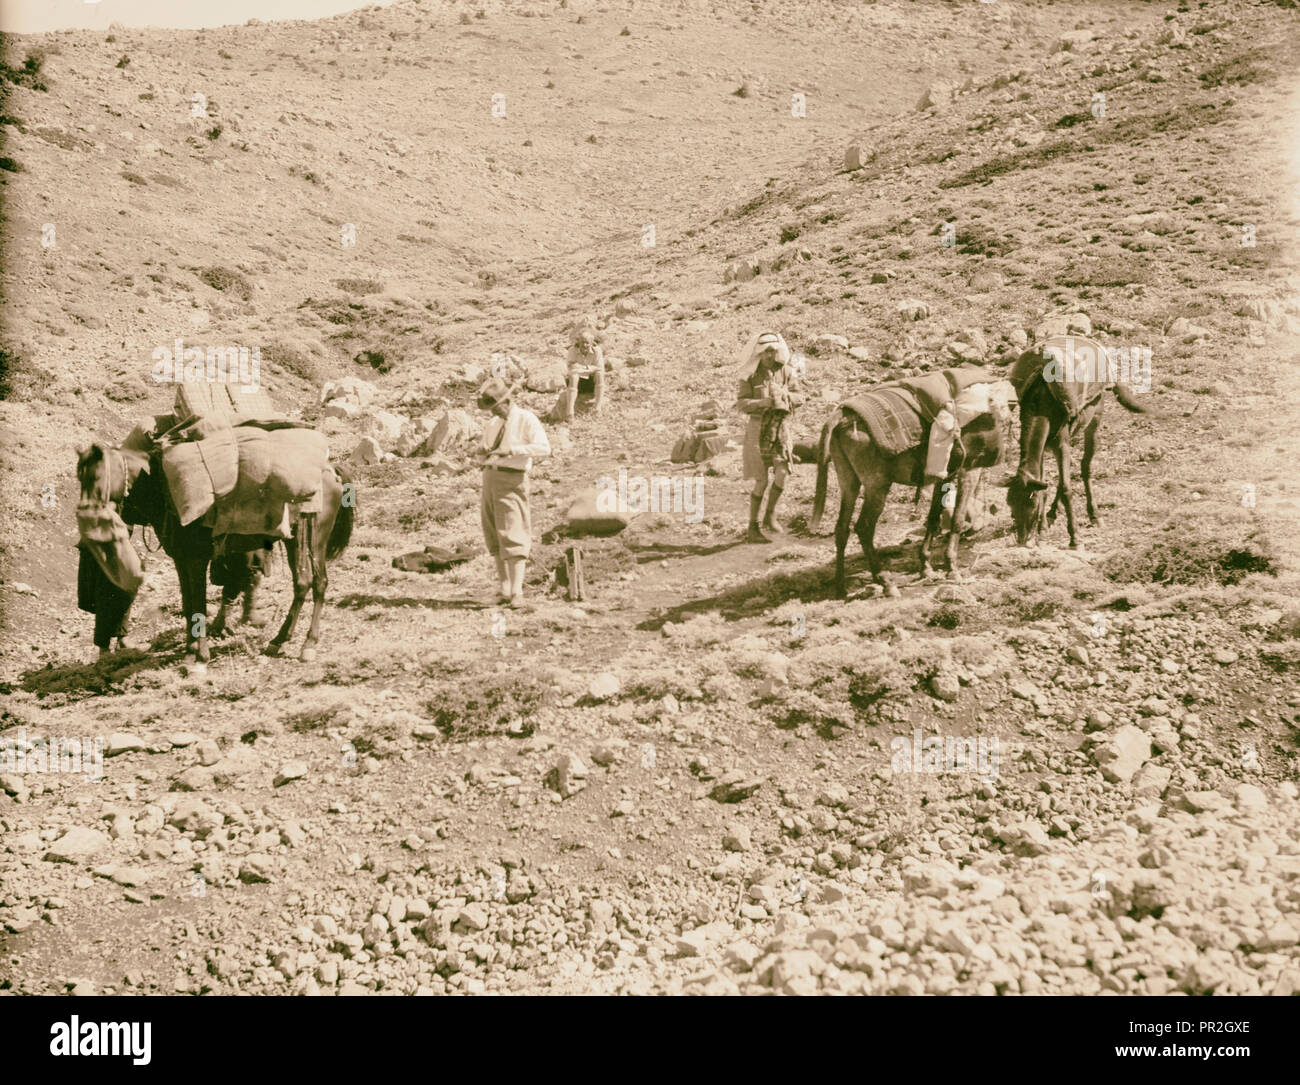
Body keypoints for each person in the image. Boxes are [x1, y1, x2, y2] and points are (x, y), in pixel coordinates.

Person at [474, 377, 550, 607]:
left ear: (506, 401)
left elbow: (543, 448)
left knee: (513, 529)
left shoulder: (526, 419)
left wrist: (513, 450)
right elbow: (486, 452)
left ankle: (517, 592)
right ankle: (504, 588)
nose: (493, 412)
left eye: (495, 407)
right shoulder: (493, 424)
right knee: (494, 531)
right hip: (490, 476)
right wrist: (481, 453)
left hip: (512, 478)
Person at [735, 331, 805, 543]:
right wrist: (762, 403)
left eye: (773, 351)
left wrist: (785, 396)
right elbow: (741, 404)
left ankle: (770, 515)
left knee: (782, 472)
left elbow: (800, 396)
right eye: (766, 352)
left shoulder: (785, 371)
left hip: (780, 428)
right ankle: (753, 527)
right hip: (757, 430)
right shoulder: (750, 376)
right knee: (762, 480)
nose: (769, 355)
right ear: (759, 353)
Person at [553, 320, 606, 422]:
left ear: (591, 343)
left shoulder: (597, 351)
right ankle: (570, 413)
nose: (584, 345)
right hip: (577, 383)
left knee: (600, 374)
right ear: (578, 342)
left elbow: (600, 368)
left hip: (591, 382)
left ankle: (597, 408)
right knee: (574, 376)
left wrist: (582, 368)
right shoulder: (572, 351)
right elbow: (571, 368)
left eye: (587, 343)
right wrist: (590, 368)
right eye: (582, 342)